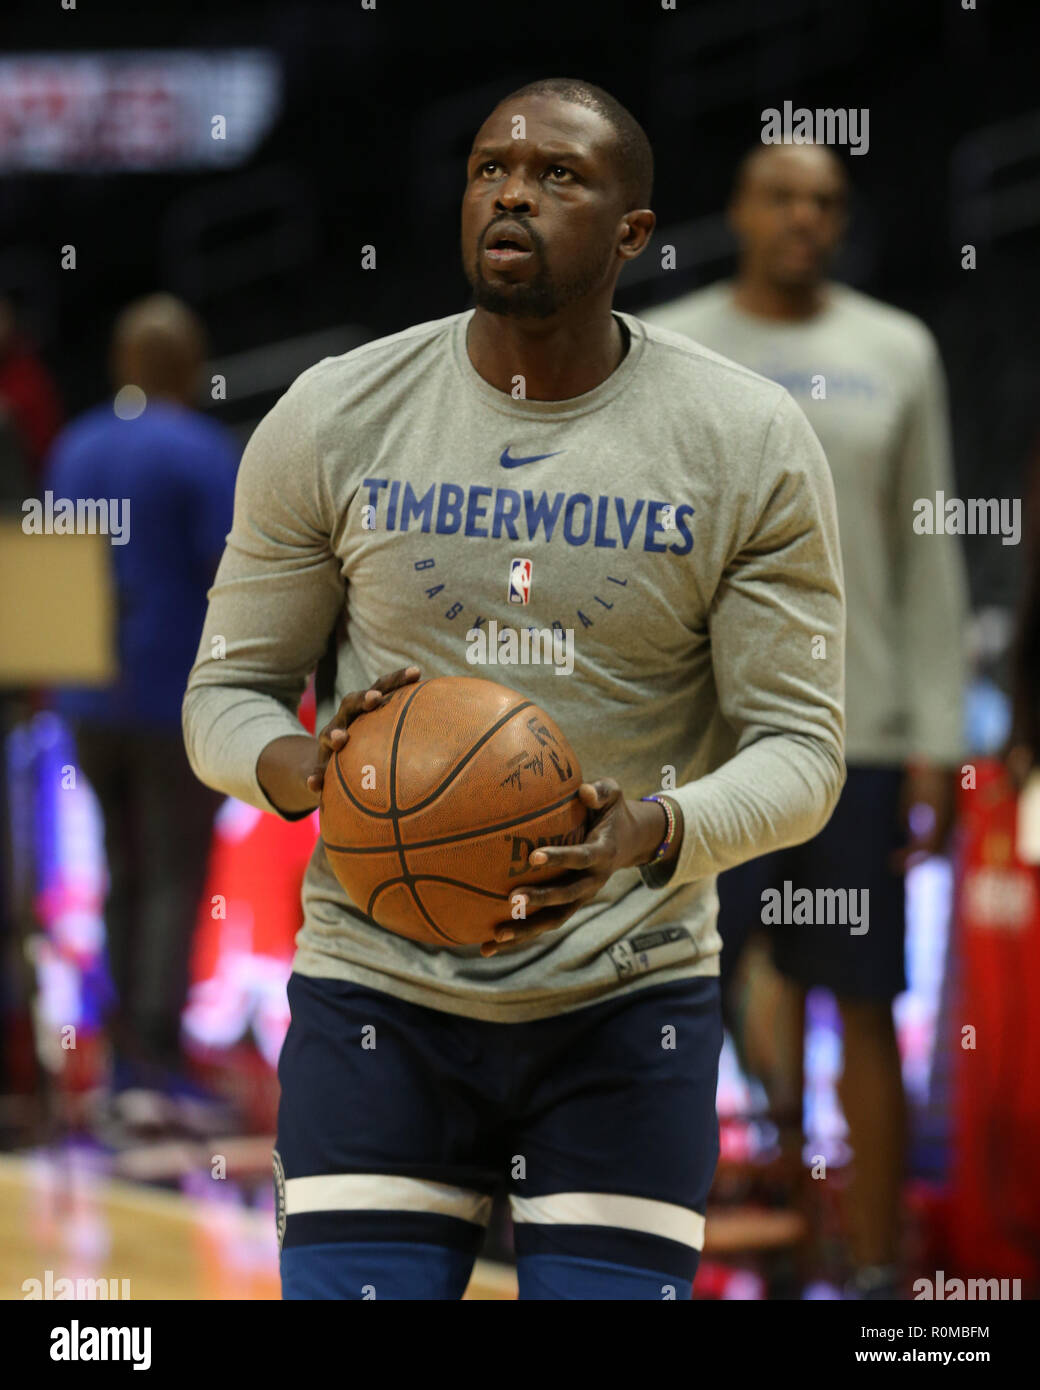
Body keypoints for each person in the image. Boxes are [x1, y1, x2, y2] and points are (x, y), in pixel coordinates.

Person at [183, 79, 846, 1301]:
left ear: (632, 232)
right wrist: (303, 765)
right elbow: (224, 694)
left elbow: (800, 750)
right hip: (377, 992)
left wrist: (656, 828)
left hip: (627, 994)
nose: (512, 193)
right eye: (491, 167)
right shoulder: (334, 413)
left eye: (557, 176)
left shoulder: (744, 440)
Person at [642, 143, 968, 1299]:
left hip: (854, 736)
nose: (801, 217)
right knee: (682, 995)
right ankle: (681, 1238)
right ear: (737, 209)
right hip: (704, 741)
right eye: (779, 196)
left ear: (841, 221)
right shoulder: (666, 346)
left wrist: (938, 737)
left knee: (865, 1002)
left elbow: (927, 555)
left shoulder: (897, 349)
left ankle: (872, 1268)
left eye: (824, 202)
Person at [46, 294, 239, 1091]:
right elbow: (235, 574)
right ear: (191, 367)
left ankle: (123, 1051)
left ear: (123, 363)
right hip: (173, 701)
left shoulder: (74, 446)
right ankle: (156, 1056)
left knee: (123, 871)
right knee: (171, 874)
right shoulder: (203, 450)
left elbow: (55, 574)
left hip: (88, 698)